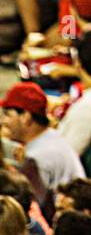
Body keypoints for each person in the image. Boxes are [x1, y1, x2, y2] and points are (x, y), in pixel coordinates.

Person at [1, 83, 83, 215]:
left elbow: (28, 210)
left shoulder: (38, 157)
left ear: (25, 117)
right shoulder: (51, 137)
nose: (2, 121)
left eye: (7, 114)